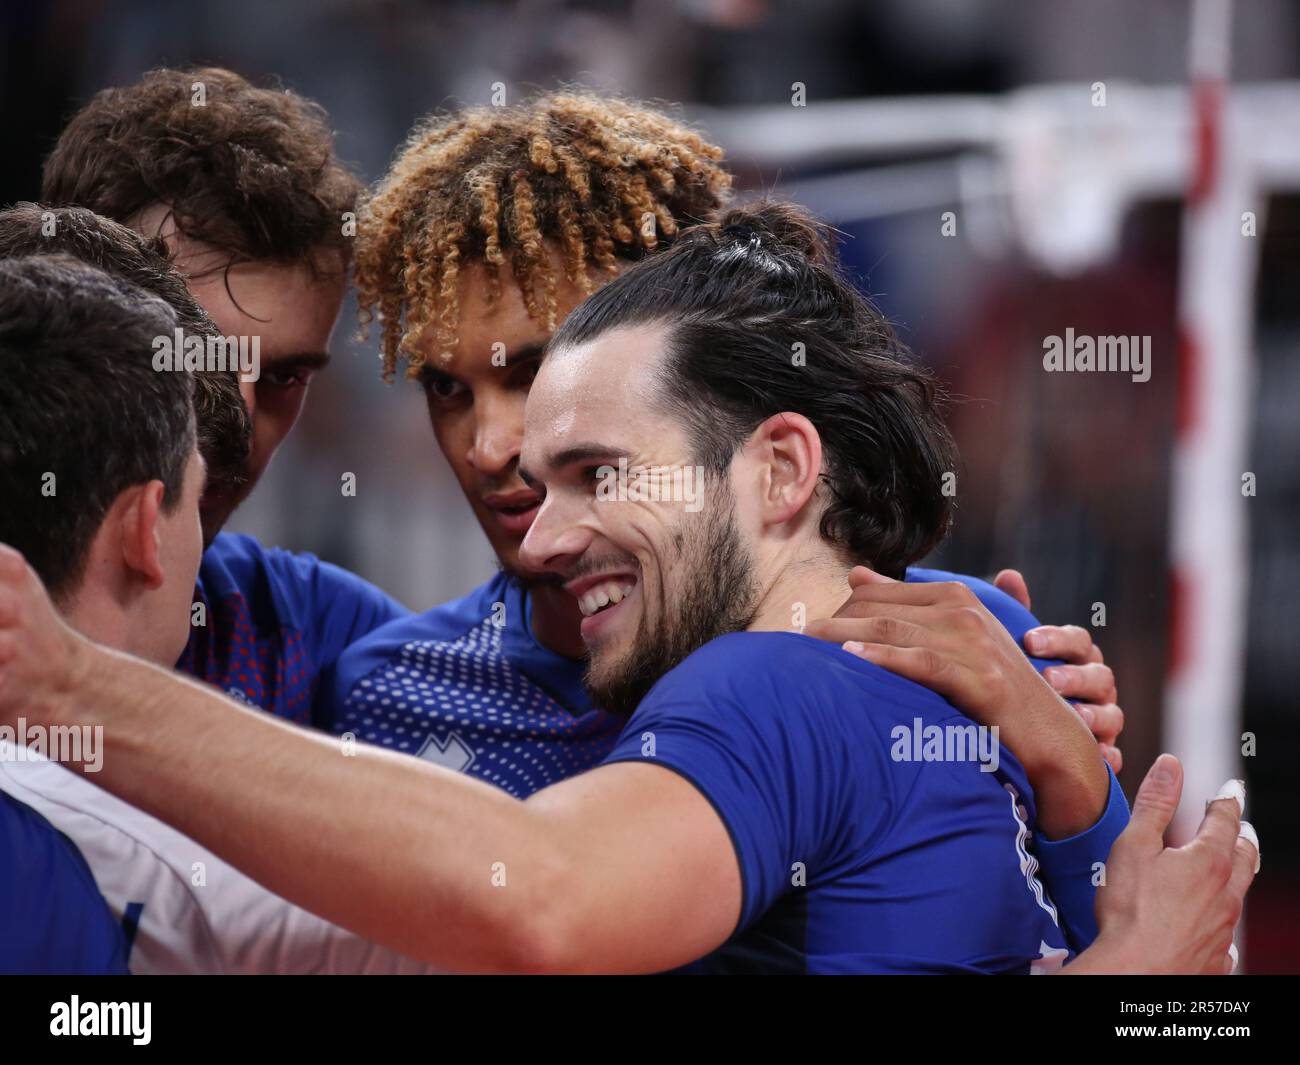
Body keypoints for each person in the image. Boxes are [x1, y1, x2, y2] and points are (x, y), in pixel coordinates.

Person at [0, 205, 1256, 973]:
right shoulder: (973, 637)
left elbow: (539, 899)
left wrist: (70, 688)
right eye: (450, 391)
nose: (535, 528)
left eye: (598, 471)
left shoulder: (773, 685)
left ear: (776, 470)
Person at [0, 211, 439, 974]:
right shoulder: (217, 876)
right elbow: (543, 904)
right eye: (193, 497)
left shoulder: (309, 614)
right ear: (145, 528)